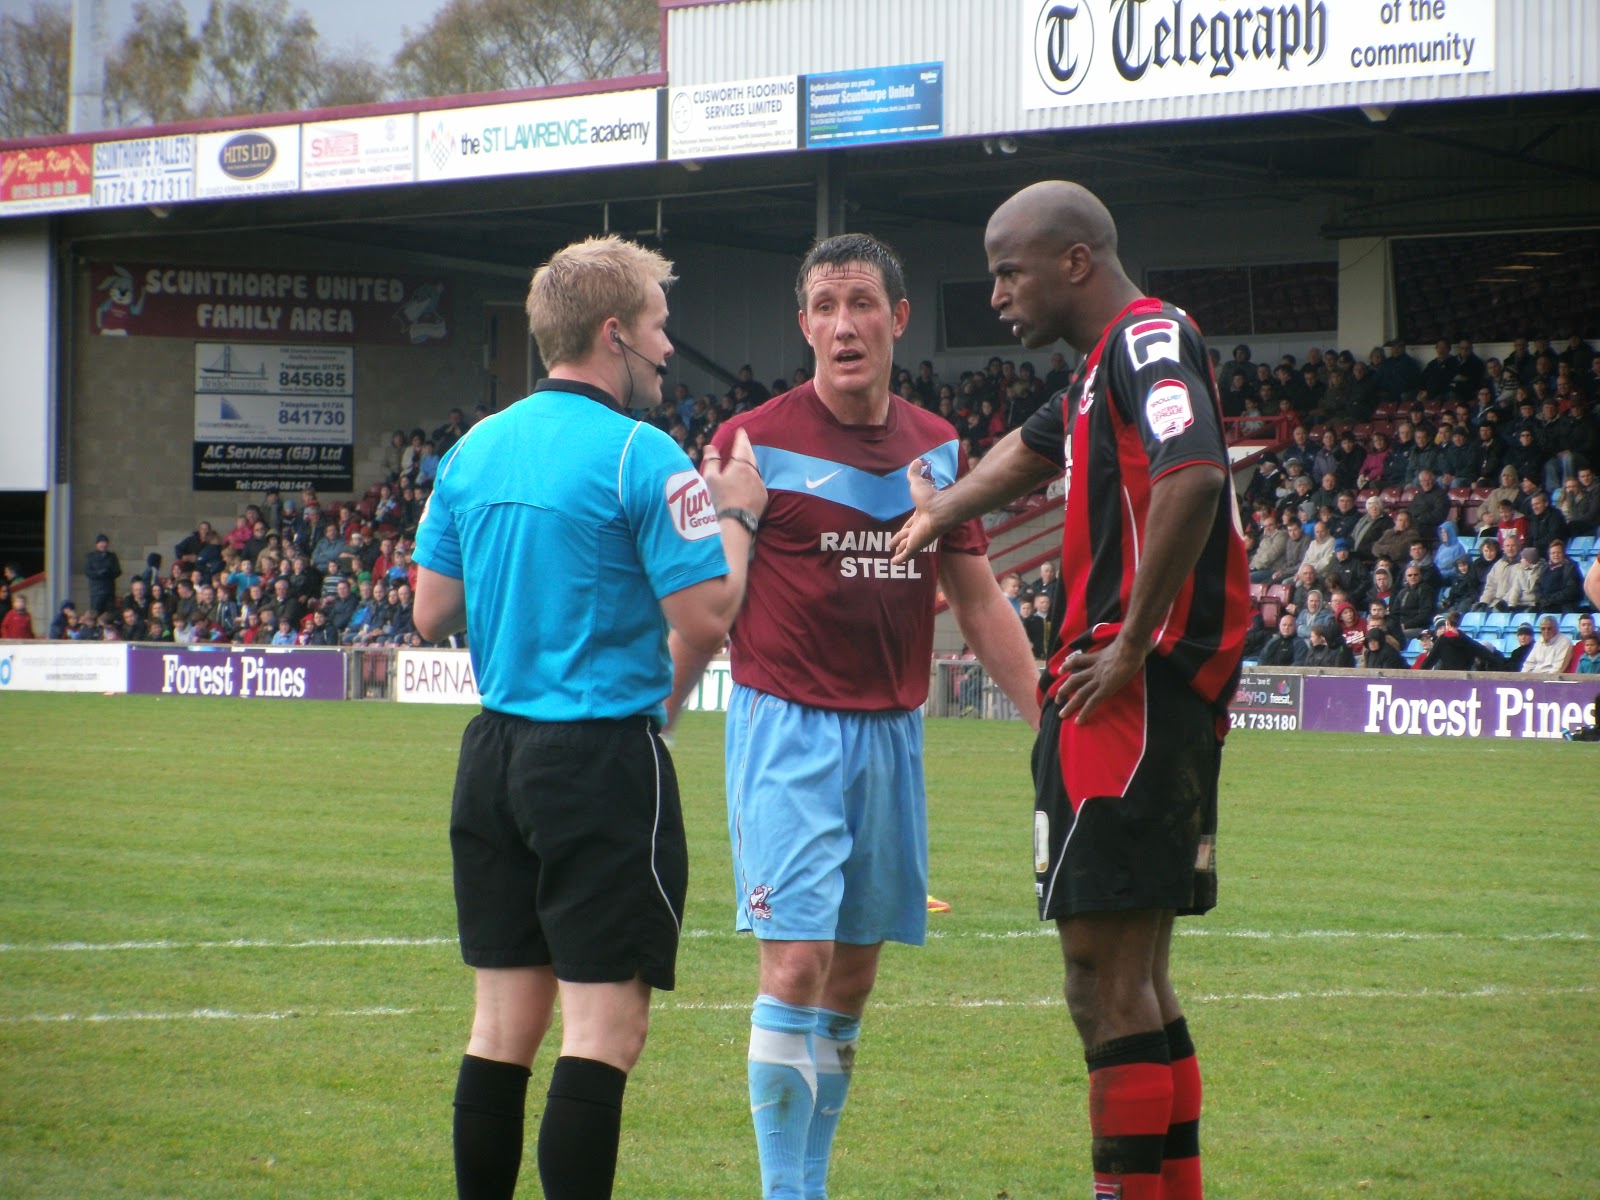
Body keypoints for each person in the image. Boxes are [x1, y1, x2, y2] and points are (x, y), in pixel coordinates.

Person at [891, 181, 1249, 1200]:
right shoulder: (1103, 366)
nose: (997, 293)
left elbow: (1194, 475)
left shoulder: (1143, 342)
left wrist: (1132, 644)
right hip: (1126, 692)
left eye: (1010, 270)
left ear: (1075, 262)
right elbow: (1028, 451)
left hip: (1126, 695)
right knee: (1132, 973)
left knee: (1100, 980)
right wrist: (938, 513)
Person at [674, 233, 1041, 1200]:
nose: (844, 324)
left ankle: (812, 1183)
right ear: (803, 325)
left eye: (862, 303)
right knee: (796, 963)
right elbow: (713, 594)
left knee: (853, 981)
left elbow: (977, 598)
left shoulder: (936, 445)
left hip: (891, 733)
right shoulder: (753, 440)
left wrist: (1049, 721)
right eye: (825, 306)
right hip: (785, 724)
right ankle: (783, 1193)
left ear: (898, 320)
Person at [411, 234, 768, 1200]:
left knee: (500, 1031)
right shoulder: (642, 455)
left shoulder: (473, 449)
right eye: (659, 326)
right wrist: (738, 511)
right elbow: (706, 615)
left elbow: (431, 610)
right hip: (600, 758)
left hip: (492, 755)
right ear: (615, 333)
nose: (665, 348)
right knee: (606, 1034)